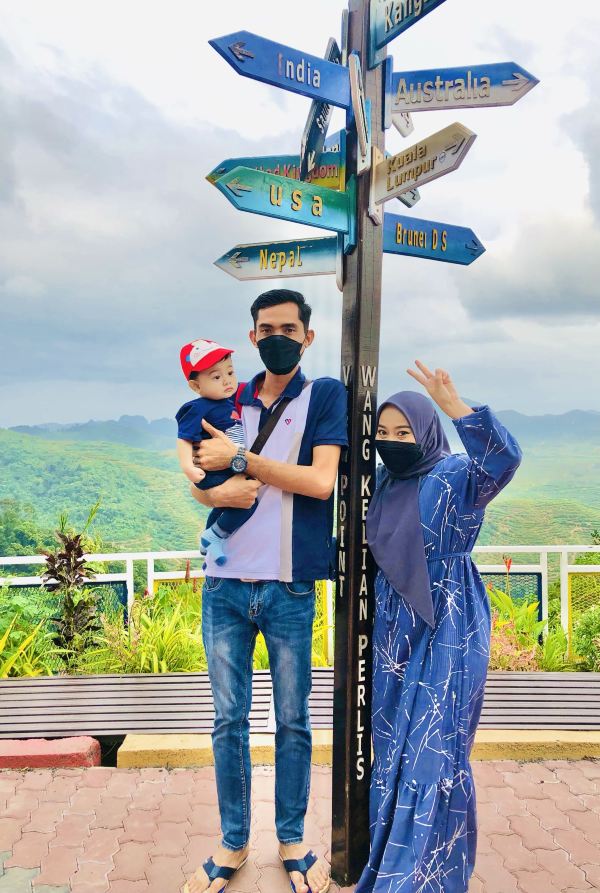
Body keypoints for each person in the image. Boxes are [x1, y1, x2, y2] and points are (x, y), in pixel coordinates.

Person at [183, 289, 347, 893]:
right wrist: (211, 493)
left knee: (293, 722)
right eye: (265, 327)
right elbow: (201, 475)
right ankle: (232, 845)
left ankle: (291, 839)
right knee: (228, 721)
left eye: (288, 327)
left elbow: (321, 482)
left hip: (288, 587)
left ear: (307, 336)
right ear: (252, 337)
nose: (276, 335)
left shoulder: (324, 395)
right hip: (224, 585)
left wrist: (243, 460)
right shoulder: (231, 395)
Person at [357, 360, 522, 893]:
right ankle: (388, 861)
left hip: (449, 623)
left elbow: (503, 460)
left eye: (404, 432)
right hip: (392, 630)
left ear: (425, 432)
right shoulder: (383, 482)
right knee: (392, 746)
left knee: (435, 748)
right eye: (382, 433)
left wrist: (457, 408)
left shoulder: (454, 474)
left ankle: (422, 878)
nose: (392, 441)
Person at [175, 339, 251, 567]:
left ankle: (209, 544)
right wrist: (188, 467)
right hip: (214, 472)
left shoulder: (230, 403)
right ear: (196, 386)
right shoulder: (197, 408)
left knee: (224, 506)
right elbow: (184, 439)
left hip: (227, 465)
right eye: (216, 377)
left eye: (230, 372)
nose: (227, 381)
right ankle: (215, 535)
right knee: (248, 501)